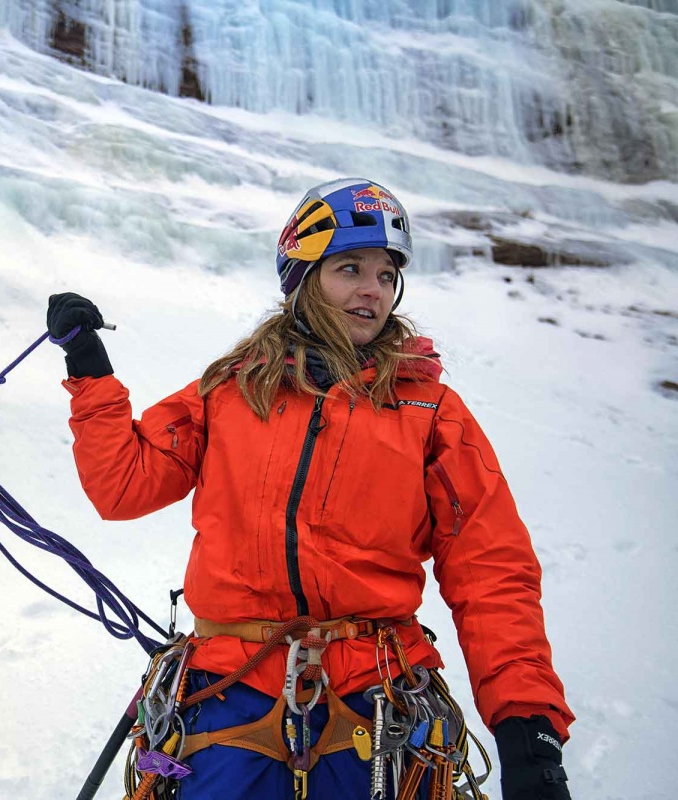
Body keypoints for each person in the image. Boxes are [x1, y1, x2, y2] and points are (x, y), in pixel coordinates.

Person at [47, 178, 573, 800]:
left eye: (386, 274)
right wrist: (90, 370)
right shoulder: (231, 391)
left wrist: (526, 724)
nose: (371, 290)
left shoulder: (429, 409)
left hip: (376, 695)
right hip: (230, 686)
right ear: (302, 276)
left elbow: (491, 568)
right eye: (350, 268)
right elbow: (124, 486)